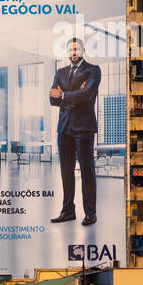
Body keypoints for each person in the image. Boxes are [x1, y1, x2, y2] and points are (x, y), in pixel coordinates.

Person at [49, 37, 101, 227]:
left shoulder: (93, 70)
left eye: (76, 49)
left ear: (83, 50)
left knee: (87, 172)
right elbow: (52, 99)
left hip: (84, 128)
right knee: (66, 171)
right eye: (70, 50)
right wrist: (73, 94)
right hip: (64, 128)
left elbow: (87, 95)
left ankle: (91, 214)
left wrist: (64, 94)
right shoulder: (60, 72)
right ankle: (68, 210)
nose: (73, 53)